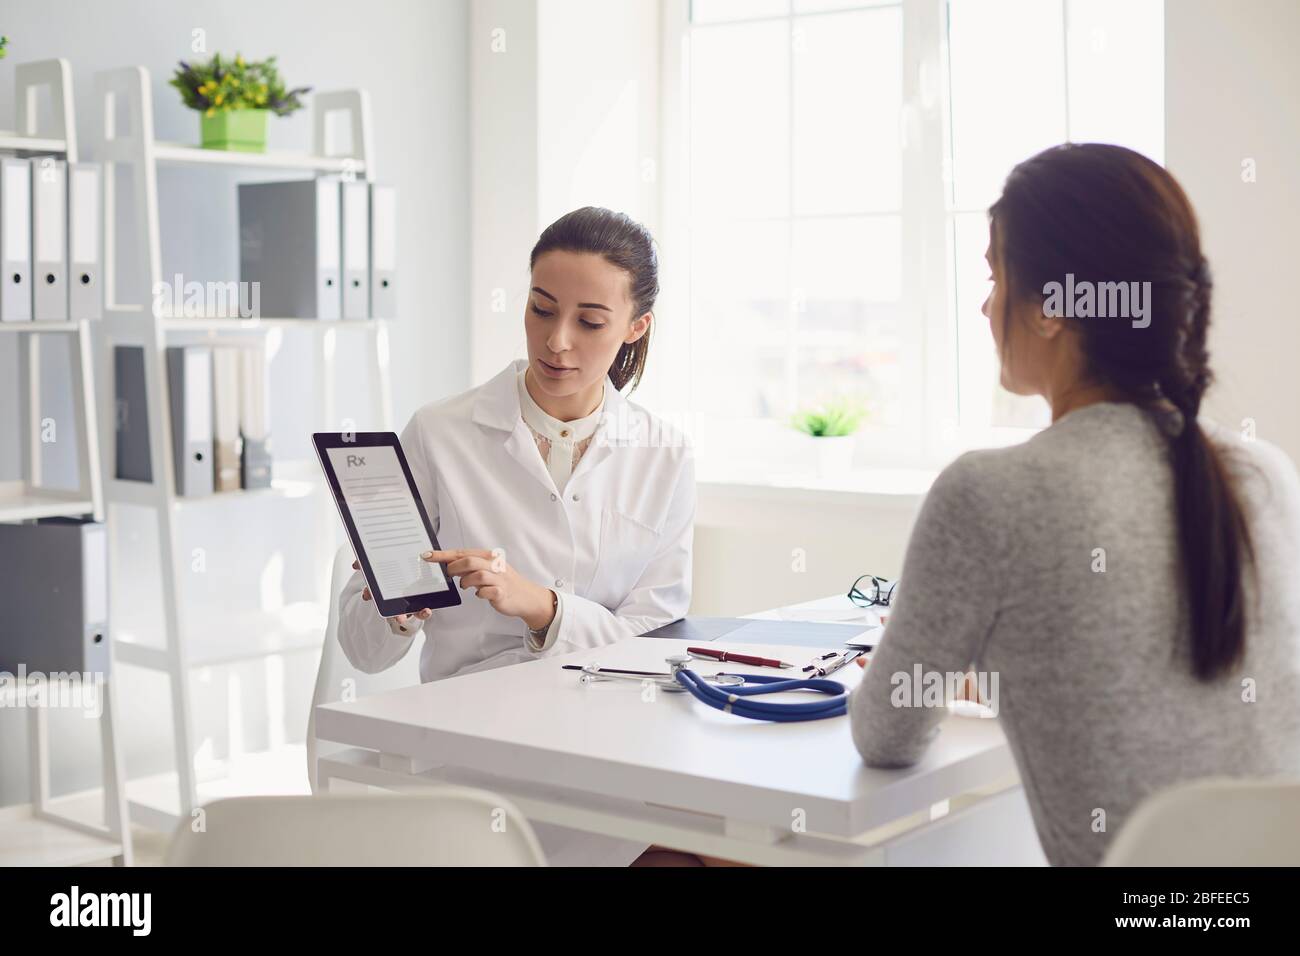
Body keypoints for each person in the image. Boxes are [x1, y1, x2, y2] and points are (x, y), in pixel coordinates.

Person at [849, 143, 1300, 866]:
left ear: (1053, 308)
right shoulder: (1264, 474)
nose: (986, 303)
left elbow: (886, 734)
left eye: (997, 276)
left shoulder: (989, 493)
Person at [337, 206, 695, 865]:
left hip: (610, 743)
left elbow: (658, 648)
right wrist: (397, 606)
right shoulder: (439, 433)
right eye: (540, 308)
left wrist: (544, 607)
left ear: (636, 326)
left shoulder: (663, 454)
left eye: (590, 321)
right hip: (469, 754)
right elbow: (361, 653)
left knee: (735, 844)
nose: (557, 340)